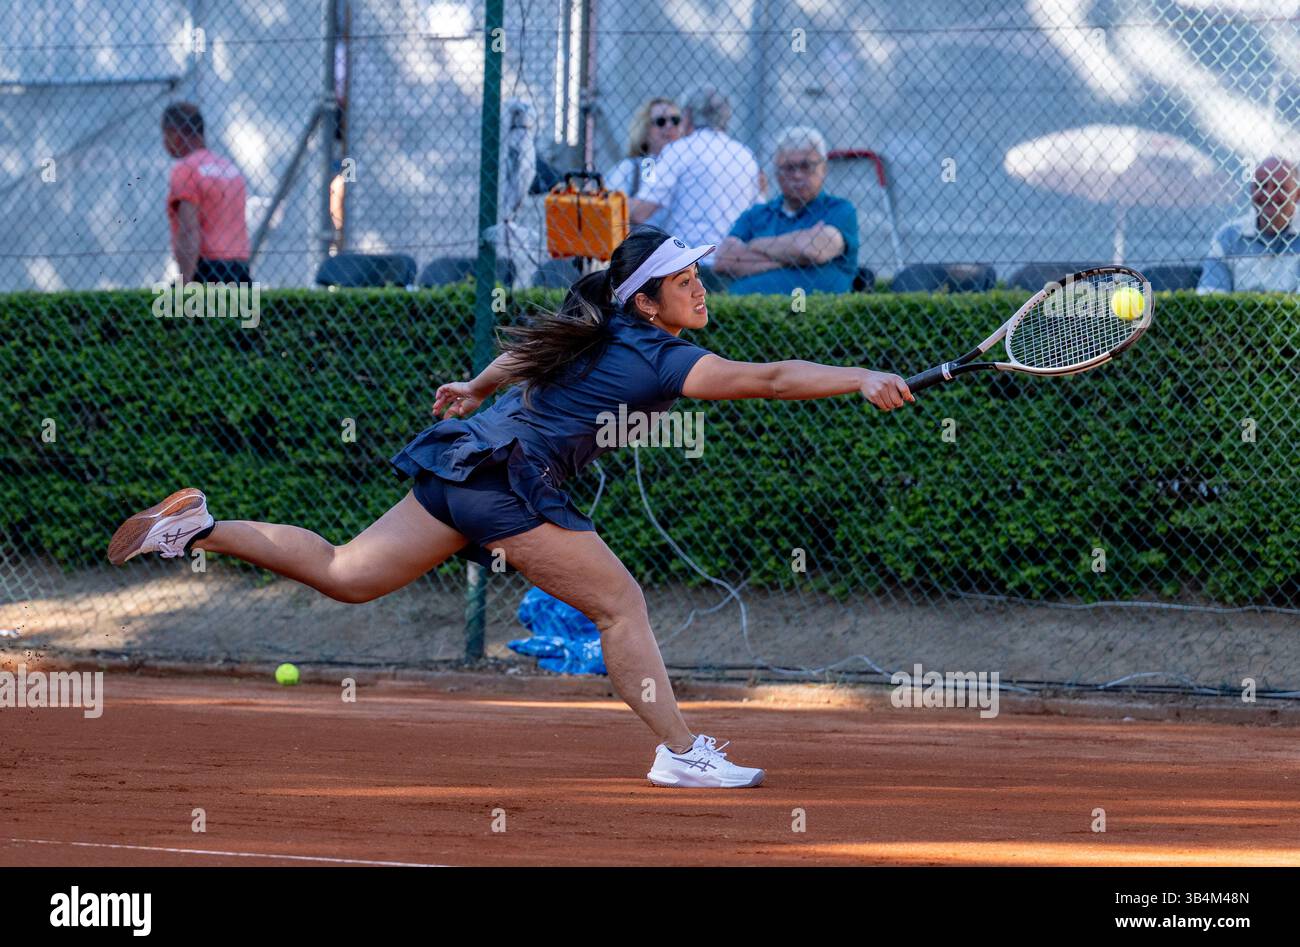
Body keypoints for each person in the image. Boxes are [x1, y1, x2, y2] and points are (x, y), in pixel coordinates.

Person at [105, 225, 914, 789]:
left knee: (347, 573)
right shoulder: (663, 356)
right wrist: (861, 378)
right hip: (507, 483)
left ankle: (198, 526)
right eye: (683, 281)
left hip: (468, 459)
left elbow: (521, 353)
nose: (700, 287)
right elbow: (768, 379)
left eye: (699, 274)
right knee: (621, 604)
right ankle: (679, 751)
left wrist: (476, 387)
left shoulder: (592, 327)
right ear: (646, 302)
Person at [627, 86, 759, 287]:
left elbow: (640, 212)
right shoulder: (744, 155)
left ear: (687, 116)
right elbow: (757, 212)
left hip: (687, 266)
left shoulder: (678, 150)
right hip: (731, 266)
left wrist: (605, 202)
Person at [713, 126, 859, 295]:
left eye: (806, 166)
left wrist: (754, 245)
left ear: (823, 169)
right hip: (745, 315)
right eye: (789, 168)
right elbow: (724, 260)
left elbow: (812, 250)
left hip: (811, 314)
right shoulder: (756, 214)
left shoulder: (840, 210)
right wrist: (796, 257)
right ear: (776, 173)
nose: (797, 175)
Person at [162, 102, 251, 285]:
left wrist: (185, 283)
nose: (164, 142)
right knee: (234, 314)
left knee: (172, 311)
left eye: (165, 135)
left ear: (175, 134)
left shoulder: (186, 170)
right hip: (239, 269)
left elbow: (188, 231)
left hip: (206, 270)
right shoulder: (230, 169)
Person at [1197, 155, 1300, 293]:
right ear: (1251, 189)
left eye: (1280, 187)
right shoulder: (1228, 237)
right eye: (1262, 185)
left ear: (1297, 194)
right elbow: (1210, 296)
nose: (1269, 194)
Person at [603, 97, 684, 231]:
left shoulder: (688, 164)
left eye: (675, 120)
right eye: (660, 121)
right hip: (643, 244)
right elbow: (609, 206)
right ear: (645, 129)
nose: (669, 126)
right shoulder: (642, 166)